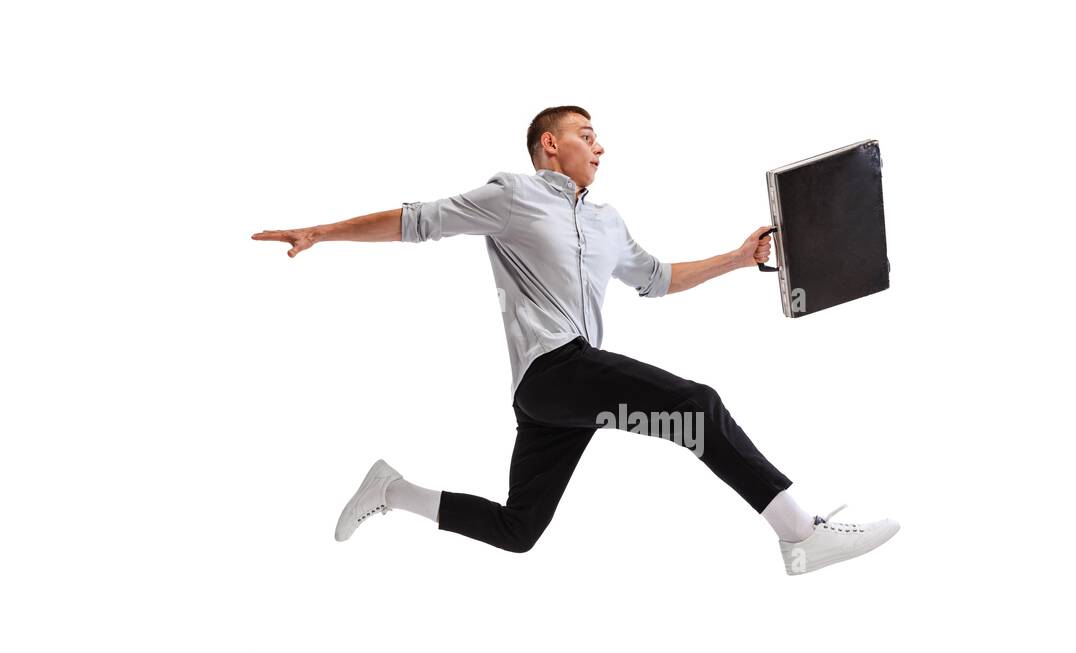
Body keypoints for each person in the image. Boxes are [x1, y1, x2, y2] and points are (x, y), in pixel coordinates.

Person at [252, 106, 898, 575]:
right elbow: (415, 222)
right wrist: (320, 230)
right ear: (549, 144)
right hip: (553, 371)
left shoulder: (608, 221)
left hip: (557, 400)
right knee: (695, 409)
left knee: (518, 529)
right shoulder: (512, 196)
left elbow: (656, 278)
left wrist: (735, 258)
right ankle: (799, 533)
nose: (600, 147)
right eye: (586, 135)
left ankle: (390, 490)